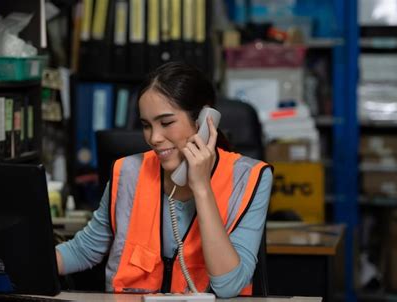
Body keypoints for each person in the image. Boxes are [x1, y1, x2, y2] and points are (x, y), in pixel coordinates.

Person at [56, 62, 273, 297]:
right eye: (146, 126)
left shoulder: (250, 177)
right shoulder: (127, 173)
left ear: (203, 120)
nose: (154, 138)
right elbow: (84, 250)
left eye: (166, 123)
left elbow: (229, 284)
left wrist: (201, 187)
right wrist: (21, 262)